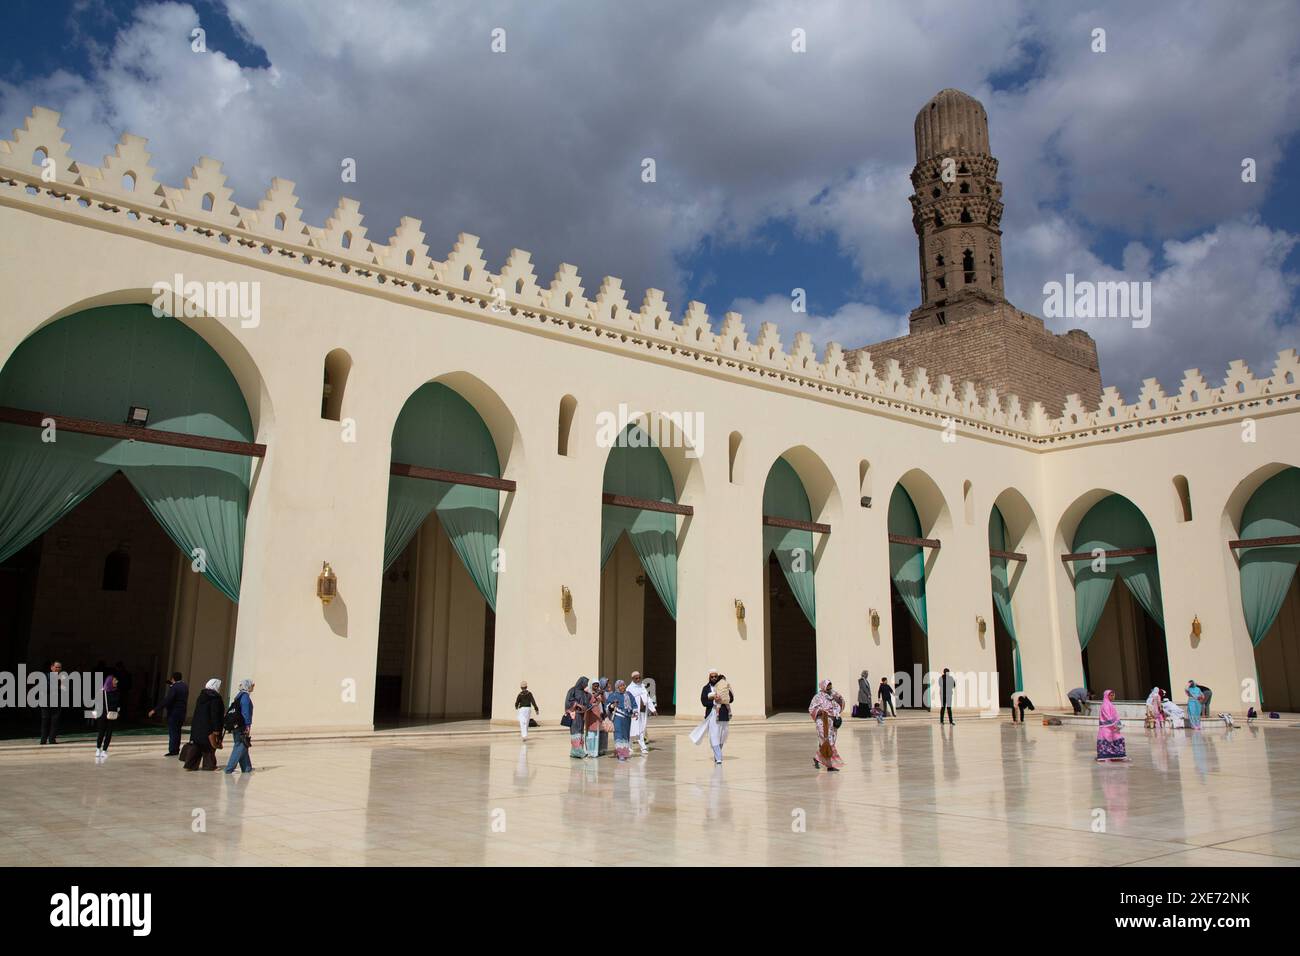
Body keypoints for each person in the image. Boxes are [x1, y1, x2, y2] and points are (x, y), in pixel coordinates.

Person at [691, 670, 734, 765]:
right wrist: (714, 701)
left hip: (723, 713)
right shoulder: (706, 688)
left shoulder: (723, 686)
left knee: (722, 736)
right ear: (709, 677)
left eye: (715, 676)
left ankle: (717, 754)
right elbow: (704, 702)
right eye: (712, 677)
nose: (714, 678)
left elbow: (731, 699)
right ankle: (719, 757)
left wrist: (724, 695)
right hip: (712, 714)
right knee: (714, 735)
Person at [184, 678, 225, 771]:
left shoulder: (202, 696)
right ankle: (209, 765)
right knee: (209, 748)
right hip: (209, 727)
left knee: (197, 746)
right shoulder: (215, 698)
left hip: (198, 726)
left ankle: (190, 765)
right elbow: (215, 714)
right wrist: (217, 729)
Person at [149, 671, 189, 756]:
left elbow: (168, 700)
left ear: (173, 678)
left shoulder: (174, 687)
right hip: (182, 712)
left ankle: (173, 750)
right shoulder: (185, 686)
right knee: (178, 732)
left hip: (174, 713)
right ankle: (176, 749)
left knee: (173, 732)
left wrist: (155, 710)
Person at [809, 680, 845, 771]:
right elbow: (811, 708)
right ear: (823, 687)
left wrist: (840, 699)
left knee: (831, 741)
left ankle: (817, 758)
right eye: (828, 687)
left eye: (830, 687)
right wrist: (820, 711)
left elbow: (840, 704)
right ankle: (830, 765)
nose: (829, 689)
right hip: (822, 722)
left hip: (833, 722)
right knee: (827, 742)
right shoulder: (818, 697)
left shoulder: (833, 695)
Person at [224, 679, 255, 774]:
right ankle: (229, 768)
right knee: (239, 745)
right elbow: (245, 712)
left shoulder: (238, 696)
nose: (253, 687)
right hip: (242, 725)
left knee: (243, 745)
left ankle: (247, 768)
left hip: (236, 725)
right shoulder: (245, 697)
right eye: (252, 685)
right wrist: (248, 725)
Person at [1095, 689, 1128, 761]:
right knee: (1107, 741)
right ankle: (1105, 757)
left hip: (1113, 727)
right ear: (1107, 696)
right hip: (1106, 728)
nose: (1113, 697)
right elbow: (1107, 716)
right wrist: (1114, 724)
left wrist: (1118, 724)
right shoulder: (1105, 705)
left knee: (1119, 739)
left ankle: (1119, 756)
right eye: (1111, 695)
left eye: (1113, 695)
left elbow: (1115, 715)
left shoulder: (1110, 704)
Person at [626, 671, 655, 754]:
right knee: (633, 729)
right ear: (632, 679)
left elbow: (648, 698)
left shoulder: (642, 686)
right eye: (636, 678)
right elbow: (628, 701)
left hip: (643, 712)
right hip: (635, 713)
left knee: (642, 729)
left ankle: (641, 746)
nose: (638, 679)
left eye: (639, 678)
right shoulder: (629, 688)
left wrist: (653, 709)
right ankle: (633, 746)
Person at [94, 674, 121, 760]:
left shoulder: (116, 692)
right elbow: (97, 703)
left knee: (109, 733)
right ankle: (98, 748)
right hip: (102, 715)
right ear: (110, 681)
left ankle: (104, 750)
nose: (116, 682)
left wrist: (118, 711)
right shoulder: (102, 692)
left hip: (112, 715)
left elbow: (118, 703)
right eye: (115, 680)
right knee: (101, 732)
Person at [607, 680, 634, 760]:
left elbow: (634, 703)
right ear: (617, 687)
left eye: (624, 685)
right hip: (618, 717)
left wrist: (635, 711)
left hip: (627, 718)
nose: (623, 687)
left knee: (626, 735)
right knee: (619, 735)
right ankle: (620, 753)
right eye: (621, 686)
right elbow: (608, 705)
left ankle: (625, 753)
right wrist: (612, 705)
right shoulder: (613, 695)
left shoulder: (628, 695)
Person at [39, 660, 64, 745]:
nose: (58, 669)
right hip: (46, 702)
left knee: (55, 721)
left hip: (57, 702)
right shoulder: (45, 676)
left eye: (59, 667)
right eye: (56, 667)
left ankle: (52, 739)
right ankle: (43, 740)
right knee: (45, 721)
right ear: (52, 667)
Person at [564, 677, 590, 758]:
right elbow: (568, 701)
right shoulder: (573, 690)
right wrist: (577, 705)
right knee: (575, 731)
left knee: (580, 732)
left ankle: (577, 751)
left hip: (582, 715)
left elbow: (588, 701)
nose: (586, 685)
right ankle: (577, 751)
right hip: (575, 715)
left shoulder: (584, 692)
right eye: (585, 683)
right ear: (581, 682)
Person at [585, 679, 606, 758]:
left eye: (597, 685)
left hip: (598, 715)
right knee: (590, 734)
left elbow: (604, 701)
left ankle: (595, 752)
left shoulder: (599, 693)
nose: (596, 686)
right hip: (590, 716)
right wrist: (597, 694)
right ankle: (589, 752)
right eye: (595, 685)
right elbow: (589, 701)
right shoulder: (588, 693)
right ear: (591, 685)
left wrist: (602, 694)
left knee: (596, 734)